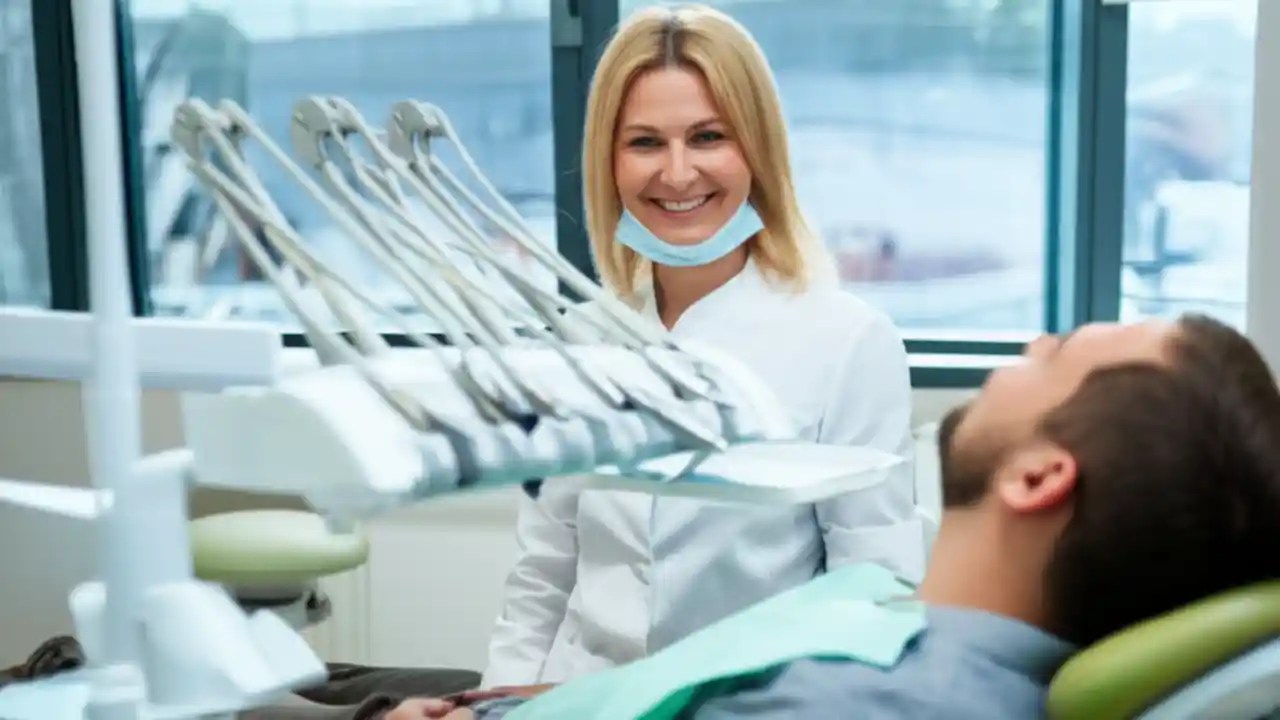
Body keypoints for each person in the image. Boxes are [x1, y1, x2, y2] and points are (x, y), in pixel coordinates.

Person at [386, 313, 1280, 719]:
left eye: (1060, 353)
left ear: (1039, 476)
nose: (1031, 342)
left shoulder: (876, 701)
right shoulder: (895, 620)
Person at [478, 3, 925, 690]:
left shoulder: (848, 342)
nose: (678, 173)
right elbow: (542, 572)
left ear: (758, 150)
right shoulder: (578, 340)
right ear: (609, 162)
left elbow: (873, 587)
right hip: (579, 695)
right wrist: (495, 703)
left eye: (708, 137)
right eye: (645, 143)